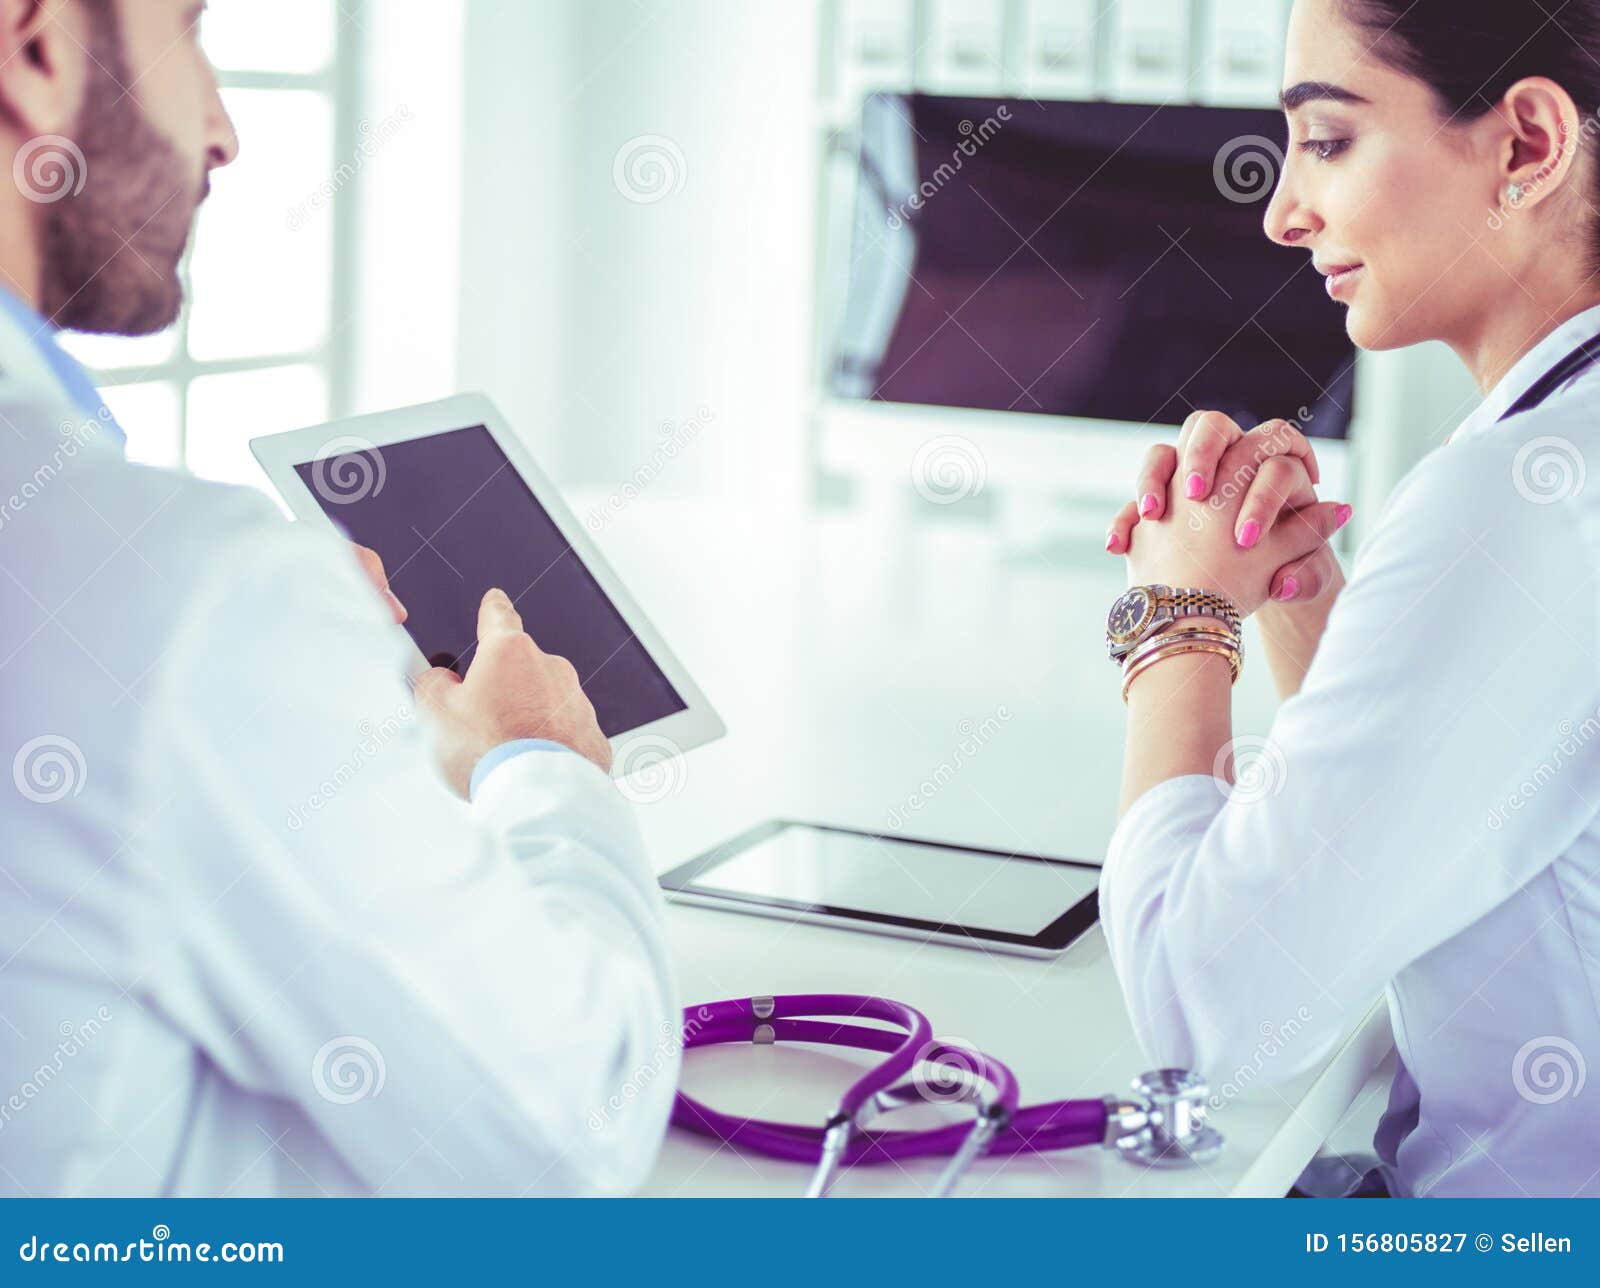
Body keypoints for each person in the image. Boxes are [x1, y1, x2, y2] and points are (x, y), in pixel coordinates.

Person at [0, 0, 678, 1196]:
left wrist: (290, 714)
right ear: (36, 50)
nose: (223, 130)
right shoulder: (184, 595)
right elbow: (577, 1126)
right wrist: (543, 765)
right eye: (190, 29)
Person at [1099, 0, 1600, 1198]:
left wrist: (1175, 619)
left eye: (1325, 140)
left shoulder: (1515, 501)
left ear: (1527, 145)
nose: (1282, 211)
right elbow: (1480, 820)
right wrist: (1295, 595)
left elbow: (1205, 1021)